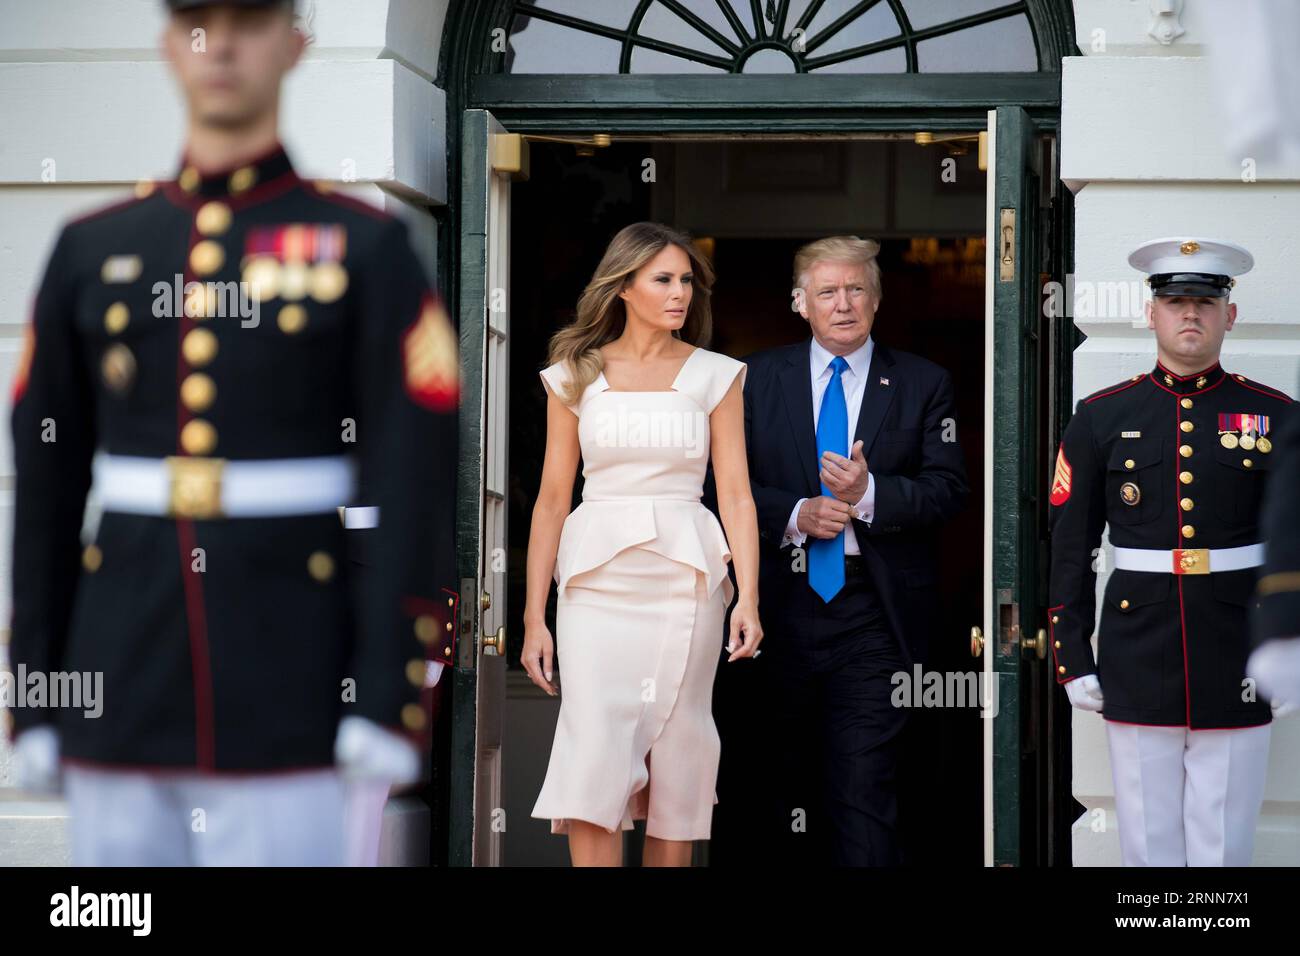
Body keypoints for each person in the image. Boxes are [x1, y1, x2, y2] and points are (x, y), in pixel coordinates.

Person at [4, 0, 459, 865]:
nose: (220, 46)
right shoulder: (93, 247)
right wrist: (37, 686)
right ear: (170, 46)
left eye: (248, 21)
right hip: (120, 661)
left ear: (292, 45)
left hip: (293, 666)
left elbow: (410, 476)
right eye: (197, 22)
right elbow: (47, 488)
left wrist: (386, 688)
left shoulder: (364, 248)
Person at [522, 222, 761, 867]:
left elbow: (736, 495)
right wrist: (533, 616)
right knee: (594, 743)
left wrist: (749, 599)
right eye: (664, 280)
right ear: (623, 286)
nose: (680, 293)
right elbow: (551, 499)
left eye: (687, 281)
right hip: (595, 587)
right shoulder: (574, 375)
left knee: (680, 742)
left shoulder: (717, 375)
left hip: (687, 581)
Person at [1049, 237, 1294, 867]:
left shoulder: (1276, 416)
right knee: (1147, 841)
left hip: (1239, 647)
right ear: (1150, 313)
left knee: (1225, 845)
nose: (1190, 313)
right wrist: (1071, 654)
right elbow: (1072, 546)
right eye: (1176, 301)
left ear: (1229, 315)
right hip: (1137, 644)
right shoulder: (1101, 416)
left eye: (1205, 303)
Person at [735, 235, 968, 866]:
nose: (844, 304)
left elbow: (949, 491)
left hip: (873, 613)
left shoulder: (923, 382)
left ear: (877, 299)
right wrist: (795, 513)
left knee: (862, 787)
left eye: (857, 289)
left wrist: (868, 493)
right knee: (772, 783)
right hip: (773, 606)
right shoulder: (752, 379)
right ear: (800, 302)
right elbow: (717, 488)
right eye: (828, 291)